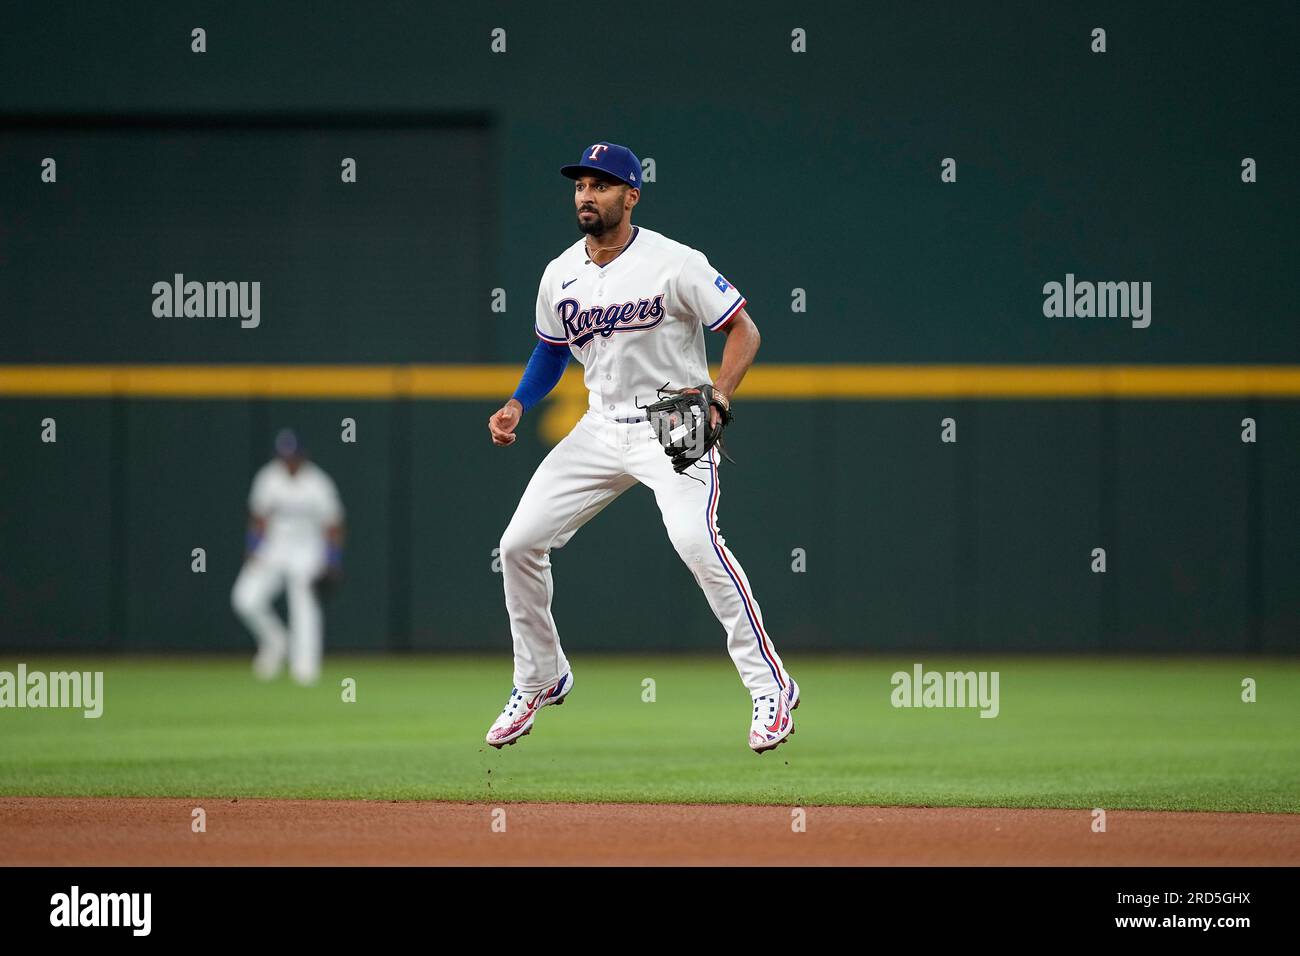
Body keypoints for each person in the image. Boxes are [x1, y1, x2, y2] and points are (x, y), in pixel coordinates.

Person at [484, 140, 799, 753]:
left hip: (673, 418)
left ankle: (771, 689)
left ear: (630, 195)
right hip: (601, 422)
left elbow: (744, 329)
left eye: (600, 185)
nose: (586, 194)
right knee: (518, 544)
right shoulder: (559, 273)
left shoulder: (675, 262)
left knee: (697, 544)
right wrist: (519, 401)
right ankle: (541, 678)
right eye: (580, 185)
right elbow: (552, 349)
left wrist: (720, 393)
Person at [231, 428, 344, 685]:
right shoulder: (268, 478)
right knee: (244, 599)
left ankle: (305, 668)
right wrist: (252, 548)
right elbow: (259, 519)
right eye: (284, 456)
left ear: (303, 455)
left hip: (307, 550)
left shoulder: (318, 483)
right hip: (274, 548)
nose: (289, 461)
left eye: (293, 456)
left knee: (305, 607)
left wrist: (333, 560)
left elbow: (334, 526)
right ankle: (276, 641)